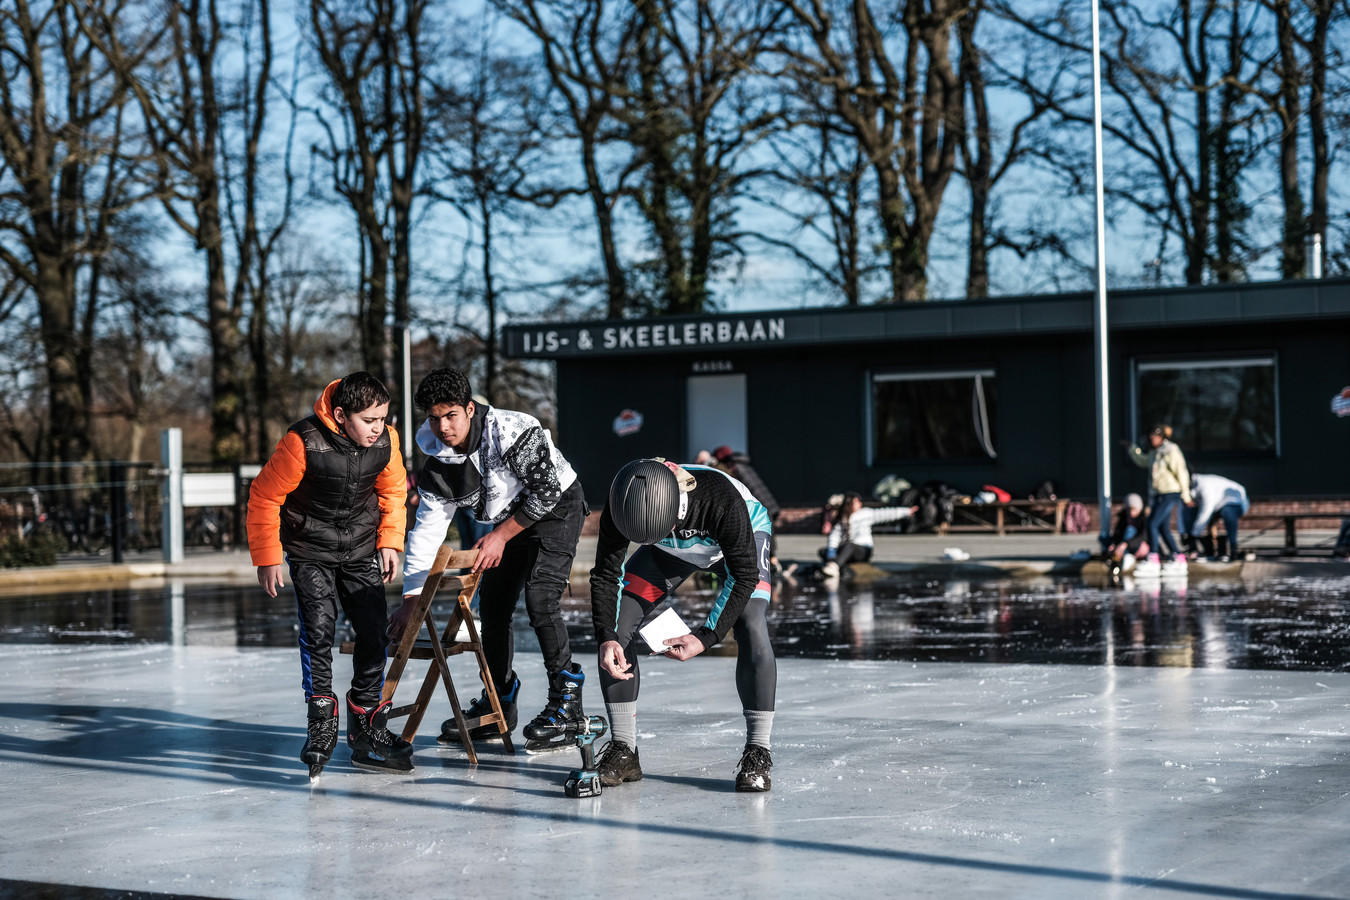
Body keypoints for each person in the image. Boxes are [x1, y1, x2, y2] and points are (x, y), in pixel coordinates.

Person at [390, 368, 589, 753]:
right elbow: (427, 532)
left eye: (450, 415)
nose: (442, 426)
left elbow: (547, 490)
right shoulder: (436, 460)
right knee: (492, 607)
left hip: (557, 508)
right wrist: (412, 598)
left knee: (541, 597)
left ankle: (567, 701)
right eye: (433, 417)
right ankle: (499, 700)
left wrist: (498, 536)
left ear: (469, 408)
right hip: (509, 519)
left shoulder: (512, 430)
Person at [246, 372, 413, 777]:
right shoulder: (302, 442)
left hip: (359, 548)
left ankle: (365, 720)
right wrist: (267, 558)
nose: (379, 428)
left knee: (375, 630)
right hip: (310, 550)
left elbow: (394, 492)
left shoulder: (386, 442)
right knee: (319, 628)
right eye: (369, 420)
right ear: (341, 415)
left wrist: (390, 541)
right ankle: (322, 719)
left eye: (383, 418)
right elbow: (265, 496)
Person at [589, 458, 777, 792]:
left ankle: (758, 750)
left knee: (749, 620)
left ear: (677, 510)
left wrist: (705, 637)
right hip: (668, 553)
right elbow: (606, 574)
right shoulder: (624, 502)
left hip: (737, 542)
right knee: (617, 624)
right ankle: (624, 748)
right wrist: (605, 636)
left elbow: (744, 575)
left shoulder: (721, 500)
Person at [1125, 423, 1193, 573]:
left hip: (1170, 493)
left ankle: (1153, 558)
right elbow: (1142, 460)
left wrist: (1186, 496)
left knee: (1151, 523)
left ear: (1161, 437)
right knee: (1162, 528)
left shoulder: (1171, 451)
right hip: (1158, 494)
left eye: (1155, 437)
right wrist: (1132, 448)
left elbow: (1181, 472)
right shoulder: (1156, 453)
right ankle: (1179, 558)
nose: (1153, 440)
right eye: (1151, 437)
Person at [711, 445, 784, 572]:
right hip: (767, 501)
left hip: (760, 504)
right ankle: (772, 562)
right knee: (767, 534)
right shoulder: (742, 464)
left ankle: (771, 564)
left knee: (764, 534)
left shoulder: (734, 468)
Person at [820, 491, 917, 578]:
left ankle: (835, 566)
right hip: (848, 549)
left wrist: (906, 511)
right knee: (824, 551)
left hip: (863, 550)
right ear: (849, 504)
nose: (860, 504)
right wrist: (831, 555)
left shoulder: (865, 514)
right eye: (857, 502)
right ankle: (837, 564)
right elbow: (834, 538)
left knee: (849, 546)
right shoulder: (842, 520)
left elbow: (886, 513)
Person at [1182, 473, 1250, 561]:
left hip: (1236, 501)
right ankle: (1210, 550)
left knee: (1228, 513)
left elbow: (1206, 510)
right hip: (1218, 504)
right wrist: (1185, 533)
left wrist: (1195, 534)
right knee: (1196, 514)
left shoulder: (1205, 487)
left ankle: (1233, 549)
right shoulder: (1189, 489)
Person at [1107, 493, 1149, 574]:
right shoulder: (1123, 518)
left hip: (1139, 547)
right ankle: (1119, 557)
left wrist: (1125, 544)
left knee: (1130, 530)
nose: (1131, 512)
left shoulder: (1144, 519)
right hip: (1123, 546)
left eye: (1133, 509)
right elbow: (1117, 534)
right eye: (1129, 509)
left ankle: (1127, 556)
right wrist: (1114, 544)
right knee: (1104, 538)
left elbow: (1143, 536)